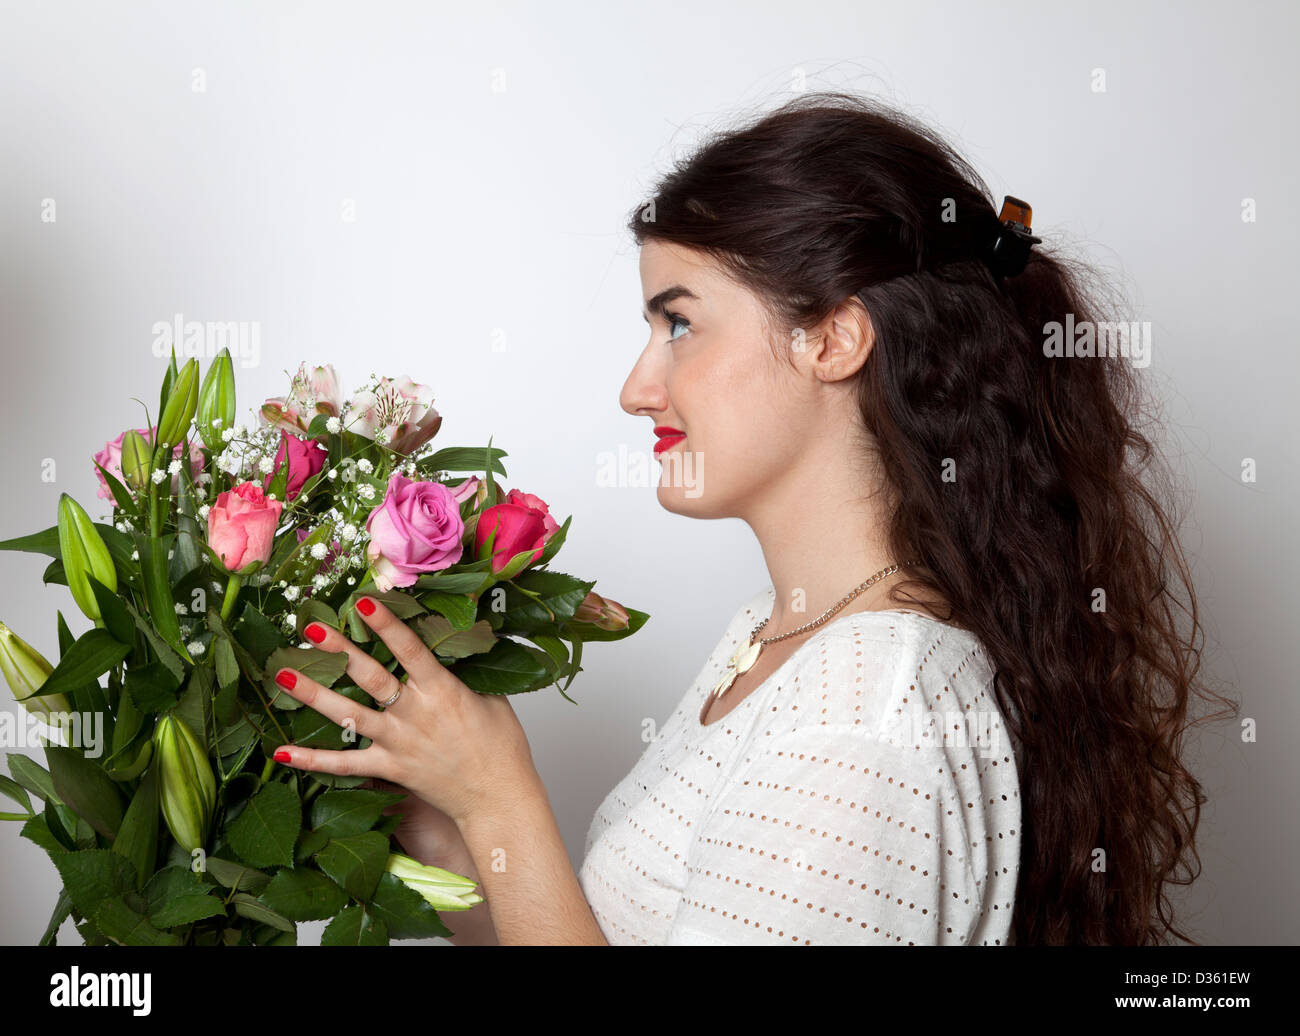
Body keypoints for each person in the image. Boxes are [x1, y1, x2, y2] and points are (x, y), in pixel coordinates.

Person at [271, 91, 1233, 946]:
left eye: (679, 322)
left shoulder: (865, 707)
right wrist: (440, 811)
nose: (636, 388)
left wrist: (500, 799)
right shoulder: (782, 646)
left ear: (834, 337)